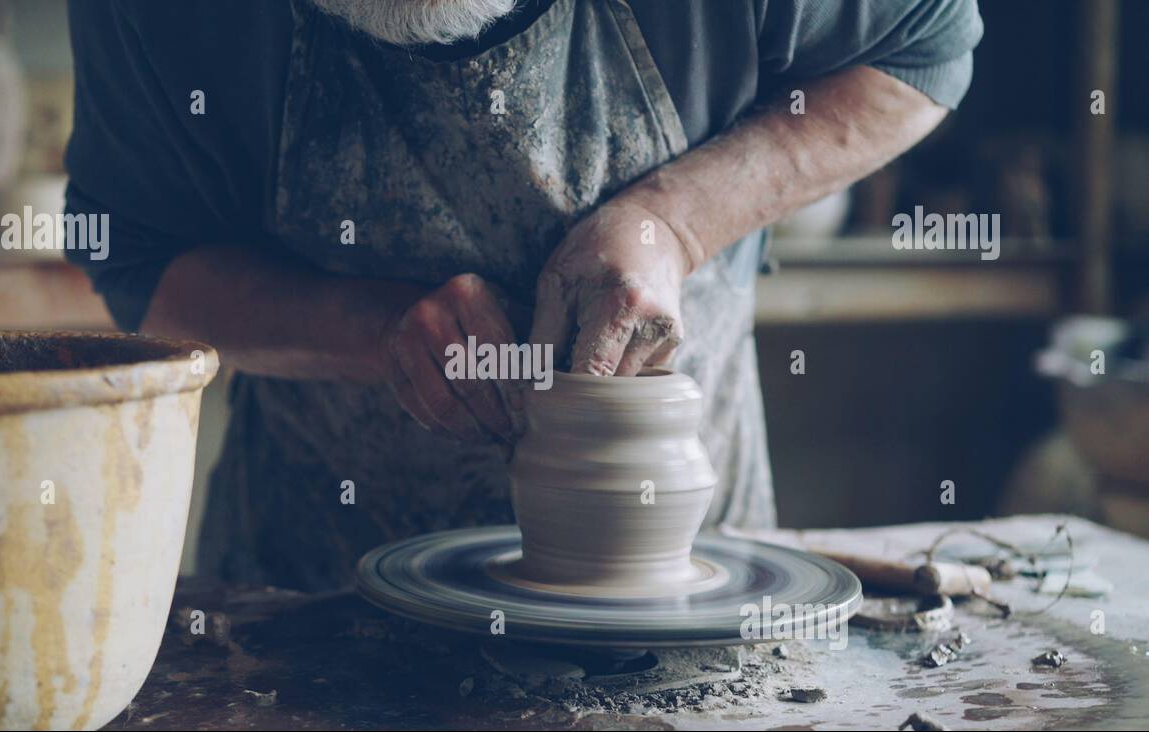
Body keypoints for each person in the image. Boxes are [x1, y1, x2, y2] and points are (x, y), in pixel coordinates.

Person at [64, 0, 983, 590]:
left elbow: (929, 46)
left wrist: (681, 219)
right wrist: (373, 330)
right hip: (321, 578)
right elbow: (136, 260)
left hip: (685, 571)